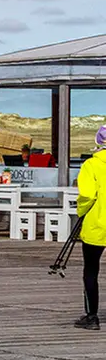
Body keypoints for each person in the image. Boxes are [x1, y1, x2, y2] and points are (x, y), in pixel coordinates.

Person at [74, 127, 106, 329]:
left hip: (96, 223)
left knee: (91, 270)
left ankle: (92, 316)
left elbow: (87, 195)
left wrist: (81, 212)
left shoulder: (91, 165)